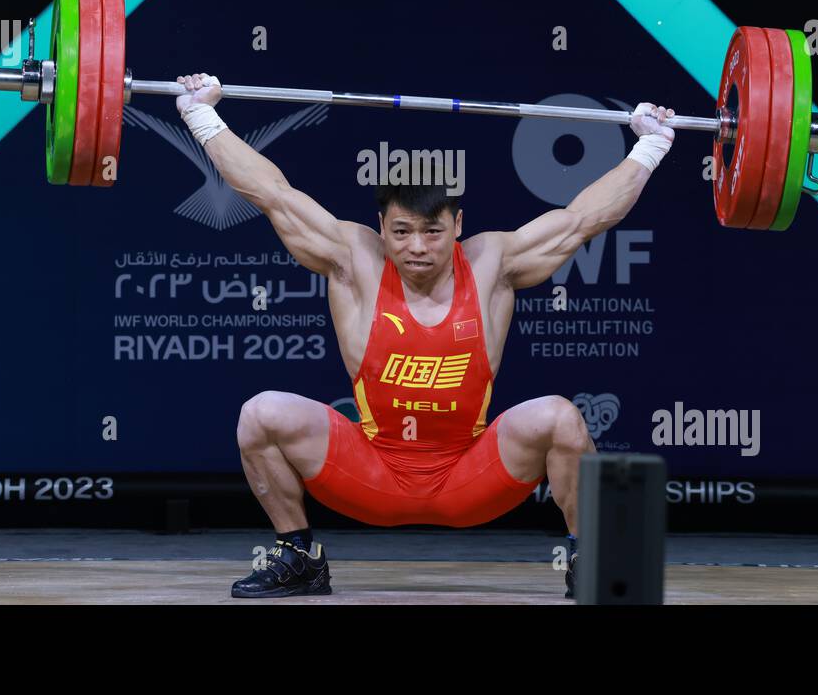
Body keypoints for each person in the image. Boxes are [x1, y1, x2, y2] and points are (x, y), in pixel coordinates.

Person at [175, 73, 675, 599]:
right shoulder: (353, 260)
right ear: (381, 227)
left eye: (432, 231)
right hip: (371, 474)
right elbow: (273, 193)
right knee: (260, 413)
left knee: (559, 416)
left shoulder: (492, 263)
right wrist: (201, 115)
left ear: (457, 225)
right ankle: (299, 557)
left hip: (471, 476)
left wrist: (651, 145)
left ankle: (590, 559)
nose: (417, 247)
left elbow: (581, 220)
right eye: (402, 232)